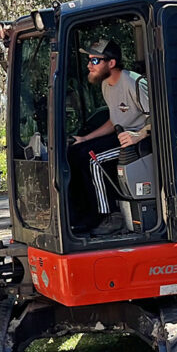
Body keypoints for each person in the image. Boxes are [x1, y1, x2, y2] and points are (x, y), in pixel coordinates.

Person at [68, 38, 150, 236]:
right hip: (122, 136)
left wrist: (138, 135)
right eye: (89, 60)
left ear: (111, 63)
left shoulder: (134, 83)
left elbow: (161, 117)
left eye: (95, 61)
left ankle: (110, 216)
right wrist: (85, 139)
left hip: (142, 141)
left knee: (93, 161)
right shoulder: (106, 84)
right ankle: (85, 214)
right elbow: (114, 121)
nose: (89, 65)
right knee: (77, 153)